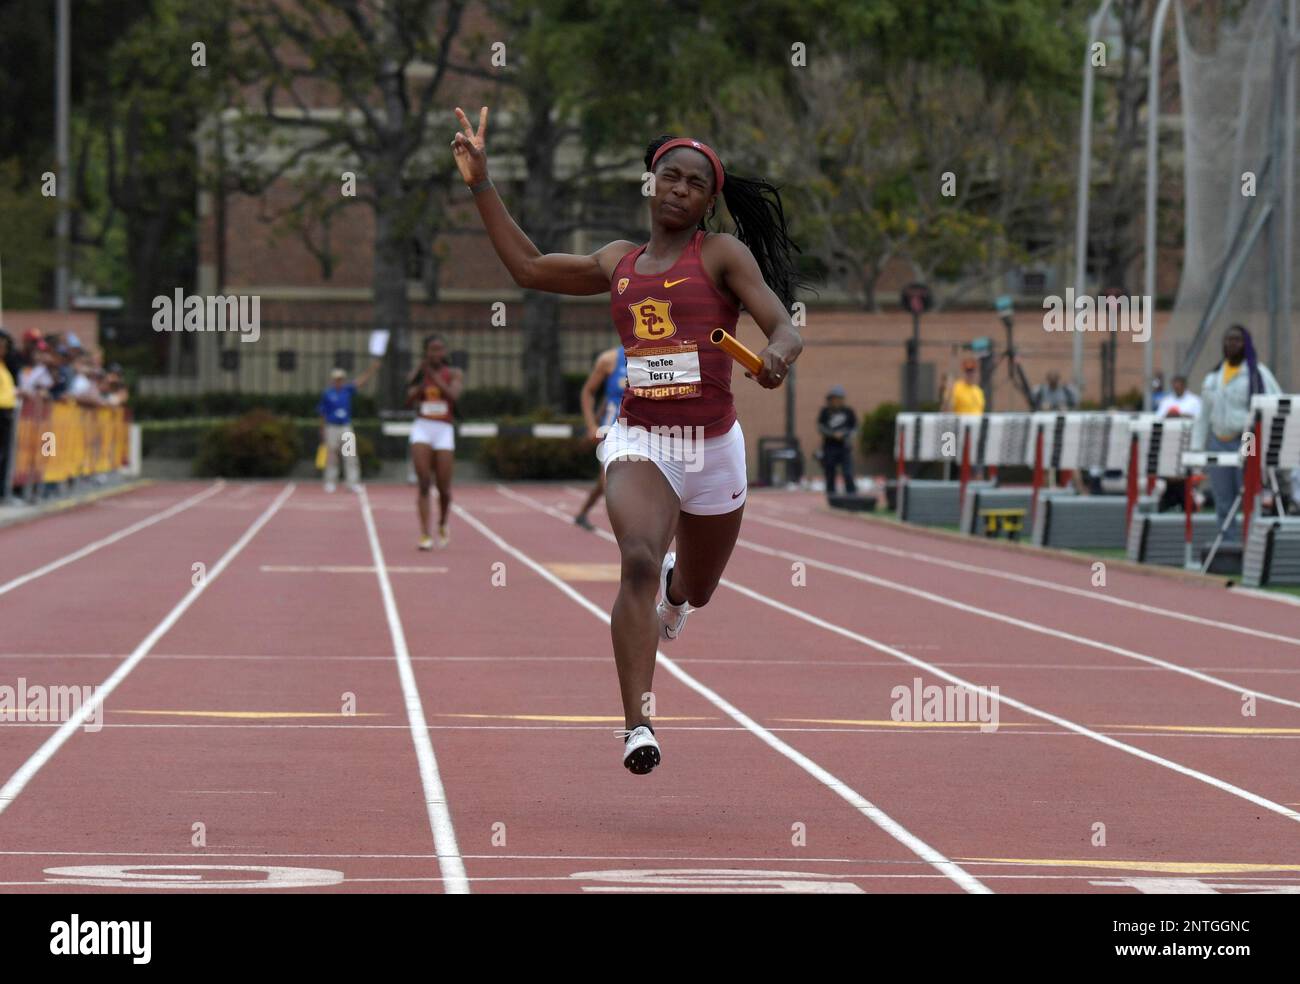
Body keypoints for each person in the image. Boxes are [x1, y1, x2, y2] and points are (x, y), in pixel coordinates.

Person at [452, 106, 804, 774]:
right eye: (668, 176)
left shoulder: (723, 255)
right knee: (639, 559)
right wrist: (480, 183)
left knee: (695, 589)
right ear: (649, 183)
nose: (678, 188)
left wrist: (779, 356)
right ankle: (638, 724)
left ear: (707, 202)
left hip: (714, 448)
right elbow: (527, 268)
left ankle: (677, 598)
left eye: (693, 184)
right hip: (642, 439)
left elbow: (784, 326)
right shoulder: (618, 261)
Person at [1191, 324, 1281, 539]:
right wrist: (1196, 448)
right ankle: (1227, 545)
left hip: (1247, 437)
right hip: (1218, 439)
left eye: (1237, 340)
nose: (1231, 344)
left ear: (1246, 343)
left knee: (1248, 493)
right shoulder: (1213, 377)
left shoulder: (1257, 373)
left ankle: (1253, 543)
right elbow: (1204, 416)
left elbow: (1274, 403)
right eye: (1228, 339)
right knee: (1223, 499)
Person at [406, 335, 463, 550]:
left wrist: (436, 379)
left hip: (444, 430)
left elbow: (454, 396)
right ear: (425, 352)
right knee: (423, 482)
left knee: (444, 488)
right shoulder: (417, 373)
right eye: (432, 350)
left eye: (440, 349)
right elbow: (409, 399)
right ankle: (424, 534)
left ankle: (442, 523)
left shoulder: (454, 373)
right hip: (423, 427)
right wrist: (422, 382)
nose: (436, 354)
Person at [574, 344, 627, 531]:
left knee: (605, 479)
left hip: (642, 431)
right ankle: (627, 529)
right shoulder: (609, 360)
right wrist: (592, 426)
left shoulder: (655, 358)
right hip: (611, 431)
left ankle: (582, 513)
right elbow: (589, 392)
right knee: (608, 478)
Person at [318, 358, 381, 493]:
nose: (339, 381)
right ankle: (330, 481)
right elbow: (322, 413)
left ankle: (352, 482)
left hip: (345, 426)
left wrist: (372, 369)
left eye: (341, 379)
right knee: (332, 455)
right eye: (337, 379)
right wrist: (322, 429)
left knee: (350, 455)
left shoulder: (347, 390)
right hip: (332, 427)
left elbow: (361, 382)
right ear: (333, 380)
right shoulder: (327, 394)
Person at [816, 385, 857, 494]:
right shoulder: (825, 412)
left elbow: (854, 428)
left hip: (844, 446)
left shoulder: (848, 411)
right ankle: (831, 496)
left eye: (839, 398)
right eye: (834, 398)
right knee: (830, 472)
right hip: (829, 447)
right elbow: (821, 427)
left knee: (848, 472)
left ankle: (851, 495)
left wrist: (844, 434)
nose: (837, 401)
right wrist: (832, 434)